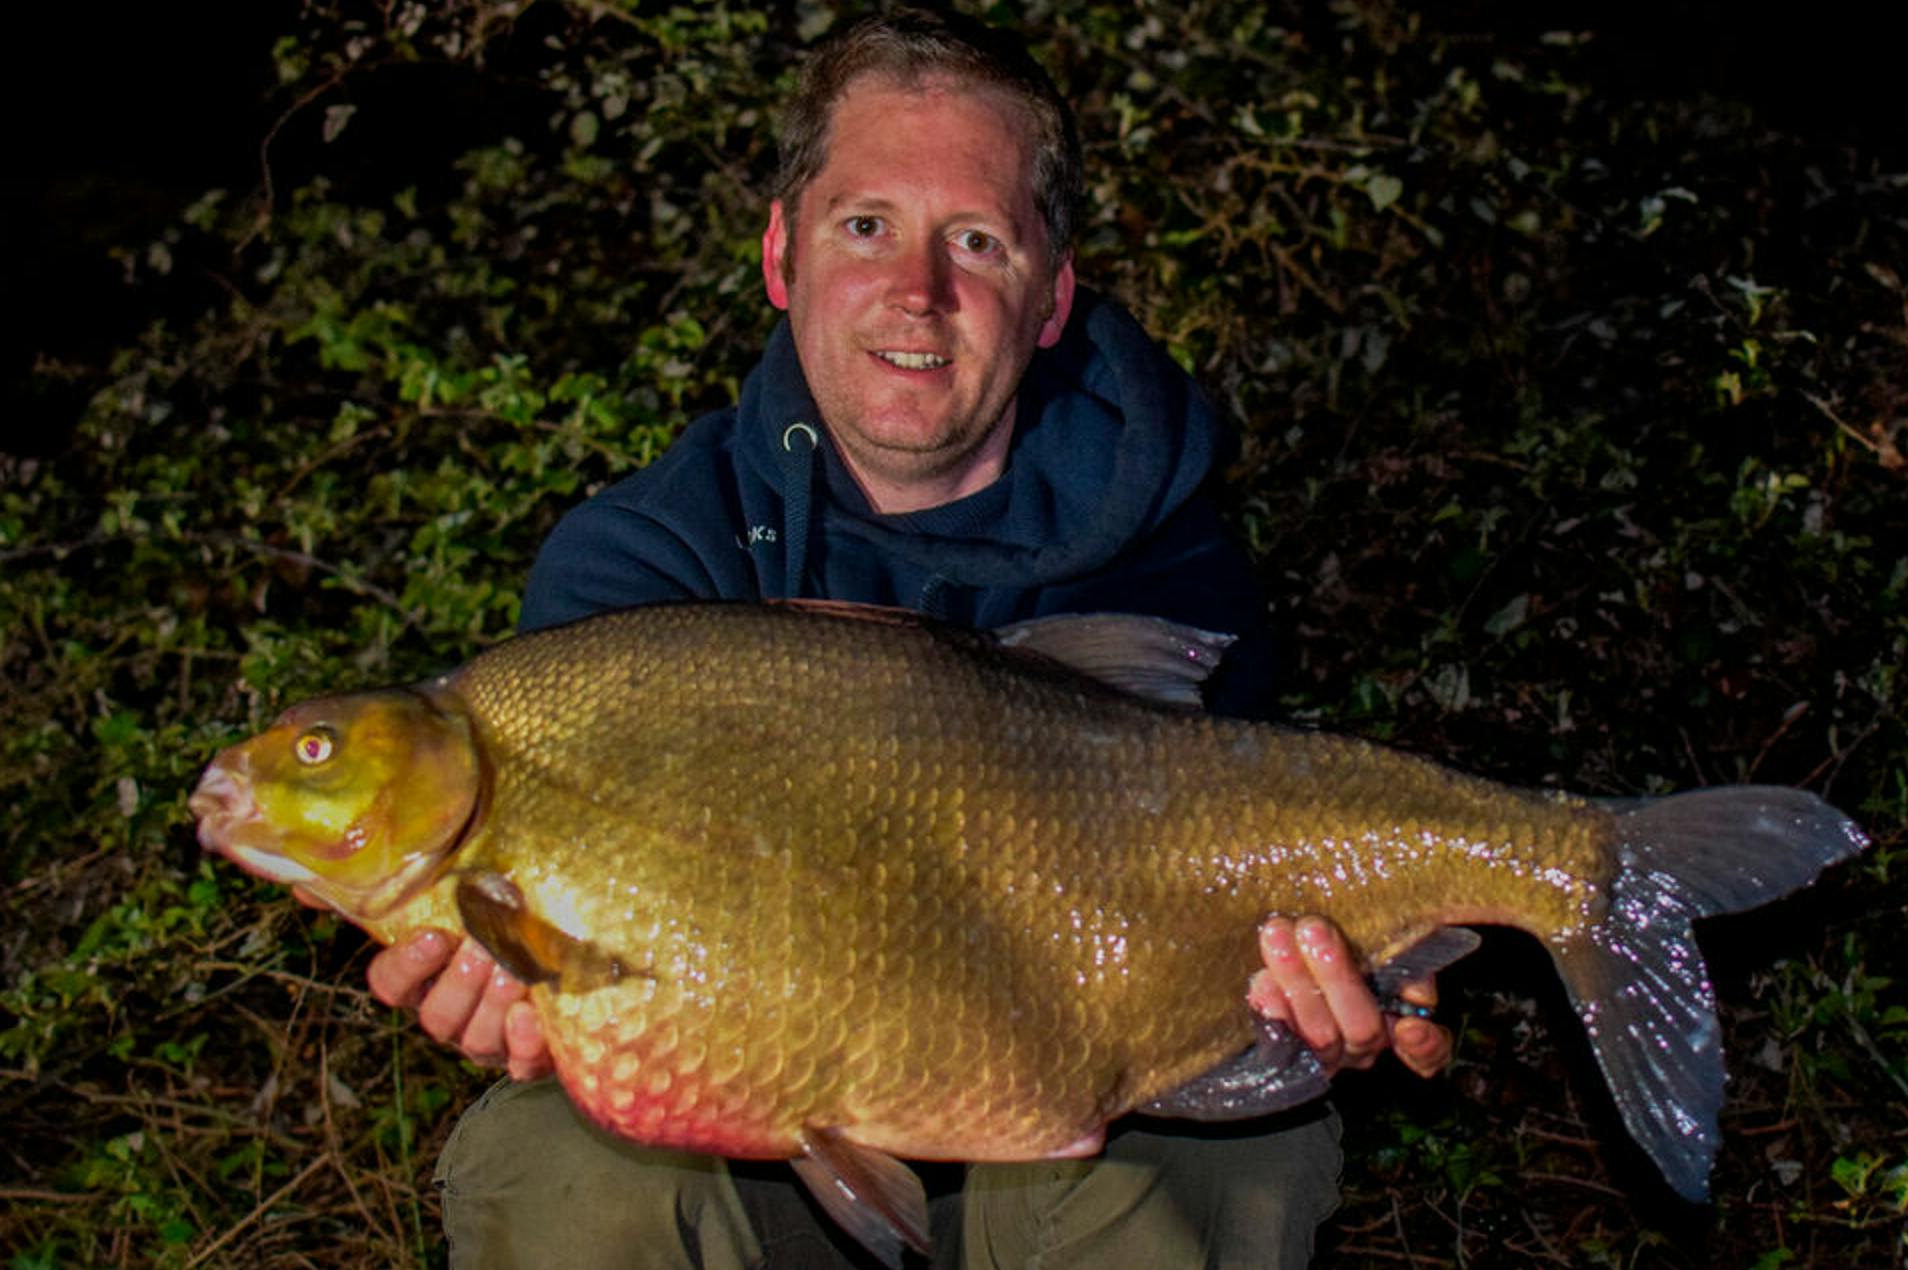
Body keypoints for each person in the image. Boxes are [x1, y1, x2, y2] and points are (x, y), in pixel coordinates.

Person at [356, 10, 1451, 1266]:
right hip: (760, 1113)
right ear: (781, 253)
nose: (916, 292)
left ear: (1049, 297)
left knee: (1194, 1170)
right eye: (865, 225)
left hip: (1083, 1086)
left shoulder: (1173, 554)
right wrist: (521, 983)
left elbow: (1241, 884)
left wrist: (1373, 974)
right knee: (563, 1169)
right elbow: (564, 946)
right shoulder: (642, 567)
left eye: (975, 242)